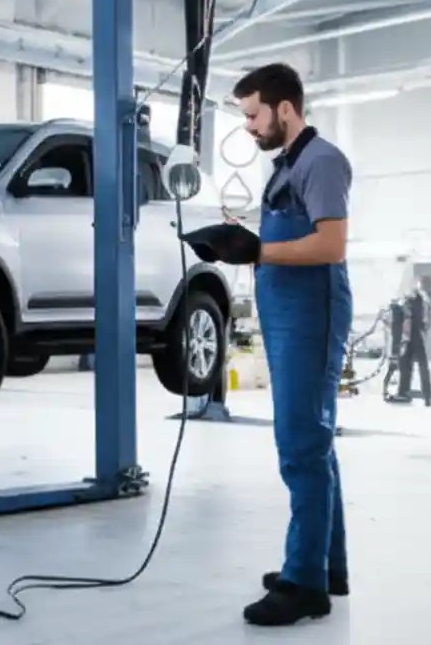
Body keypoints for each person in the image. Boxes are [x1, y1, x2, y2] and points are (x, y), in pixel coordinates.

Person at [180, 63, 353, 626]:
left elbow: (329, 245)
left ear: (285, 108)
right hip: (287, 313)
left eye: (254, 114)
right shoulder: (288, 166)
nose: (249, 126)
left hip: (311, 313)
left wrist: (253, 251)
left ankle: (304, 585)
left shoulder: (322, 161)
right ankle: (328, 567)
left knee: (300, 443)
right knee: (313, 440)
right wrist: (232, 242)